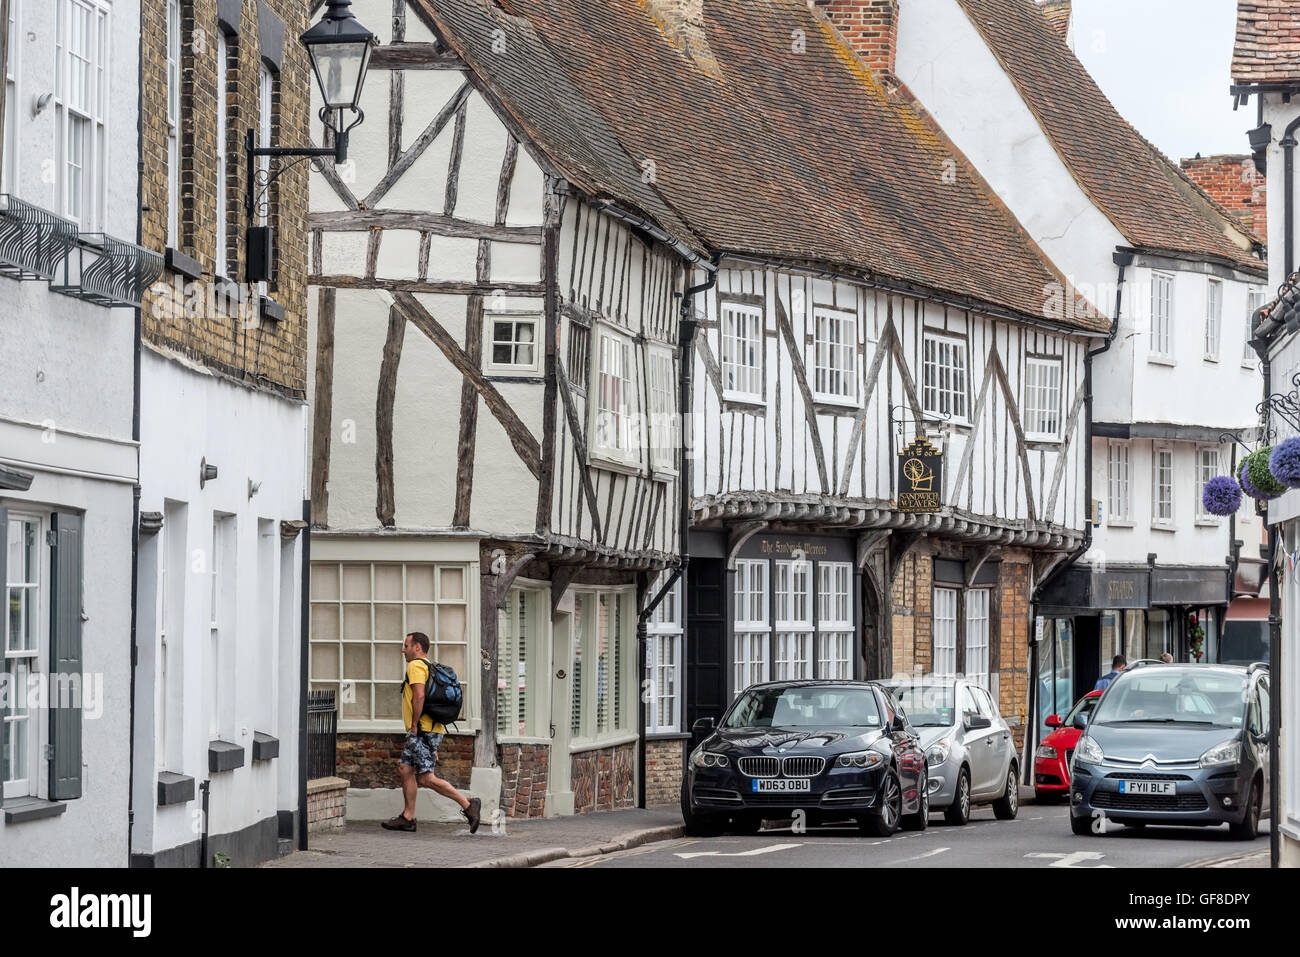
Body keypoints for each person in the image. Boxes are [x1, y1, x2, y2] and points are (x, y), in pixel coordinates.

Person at [382, 632, 481, 833]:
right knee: (405, 769)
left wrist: (415, 725)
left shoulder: (416, 666)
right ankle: (408, 818)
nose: (403, 650)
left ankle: (468, 805)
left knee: (426, 778)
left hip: (422, 730)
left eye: (406, 646)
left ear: (417, 647)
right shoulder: (429, 666)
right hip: (428, 731)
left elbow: (418, 697)